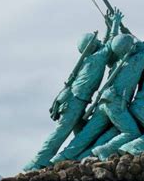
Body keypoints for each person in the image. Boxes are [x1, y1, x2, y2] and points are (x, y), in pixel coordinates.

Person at [24, 9, 123, 170]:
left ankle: (77, 158)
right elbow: (110, 44)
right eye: (95, 40)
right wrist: (115, 24)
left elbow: (105, 43)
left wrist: (110, 25)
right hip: (75, 101)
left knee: (82, 134)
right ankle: (37, 162)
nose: (99, 41)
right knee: (61, 132)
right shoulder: (96, 60)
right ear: (92, 45)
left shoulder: (91, 57)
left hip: (76, 100)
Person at [52, 35, 144, 162]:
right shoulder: (136, 61)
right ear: (131, 47)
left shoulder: (115, 63)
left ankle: (63, 158)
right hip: (116, 104)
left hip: (103, 102)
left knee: (87, 135)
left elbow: (111, 47)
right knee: (132, 132)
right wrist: (134, 41)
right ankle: (101, 150)